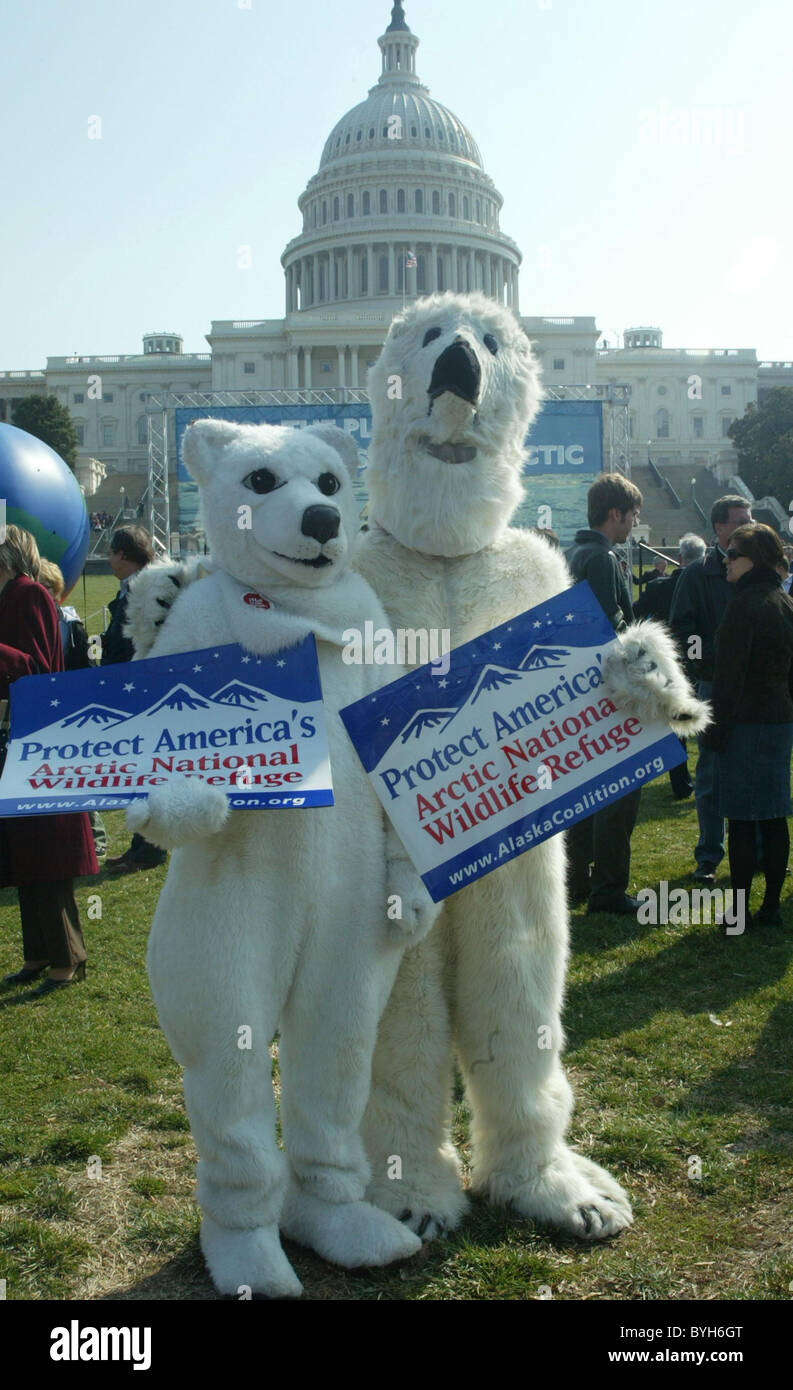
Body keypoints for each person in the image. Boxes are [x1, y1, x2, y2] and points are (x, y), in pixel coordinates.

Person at [0, 526, 97, 995]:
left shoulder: (30, 593)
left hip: (39, 738)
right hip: (19, 735)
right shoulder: (14, 595)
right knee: (25, 851)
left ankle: (66, 955)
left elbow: (37, 667)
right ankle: (39, 952)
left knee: (45, 850)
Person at [701, 523, 793, 929]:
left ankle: (737, 910)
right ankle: (771, 905)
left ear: (753, 559)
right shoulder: (784, 601)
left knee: (740, 819)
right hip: (778, 721)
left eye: (733, 554)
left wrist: (715, 728)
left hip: (745, 724)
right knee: (773, 815)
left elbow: (729, 677)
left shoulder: (744, 605)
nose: (726, 560)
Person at [565, 472, 644, 914]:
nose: (633, 523)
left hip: (578, 694)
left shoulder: (572, 552)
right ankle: (609, 890)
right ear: (615, 514)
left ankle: (577, 881)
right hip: (607, 693)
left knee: (583, 793)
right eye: (632, 515)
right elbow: (605, 632)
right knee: (619, 794)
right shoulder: (603, 560)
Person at [669, 495, 753, 884]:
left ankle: (753, 849)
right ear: (718, 527)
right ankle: (708, 854)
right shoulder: (697, 574)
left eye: (749, 519)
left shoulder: (758, 565)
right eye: (739, 520)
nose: (747, 525)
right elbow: (682, 631)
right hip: (714, 685)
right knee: (711, 773)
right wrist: (705, 664)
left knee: (752, 770)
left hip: (754, 685)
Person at [100, 526, 167, 874]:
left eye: (112, 553)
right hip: (135, 692)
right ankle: (143, 845)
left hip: (144, 694)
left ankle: (149, 849)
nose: (109, 560)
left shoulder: (149, 592)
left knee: (149, 772)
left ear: (123, 555)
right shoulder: (139, 589)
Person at [636, 533, 707, 799]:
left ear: (679, 558)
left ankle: (681, 780)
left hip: (669, 662)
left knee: (677, 720)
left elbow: (636, 616)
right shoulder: (707, 588)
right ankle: (700, 777)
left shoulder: (658, 588)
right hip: (699, 659)